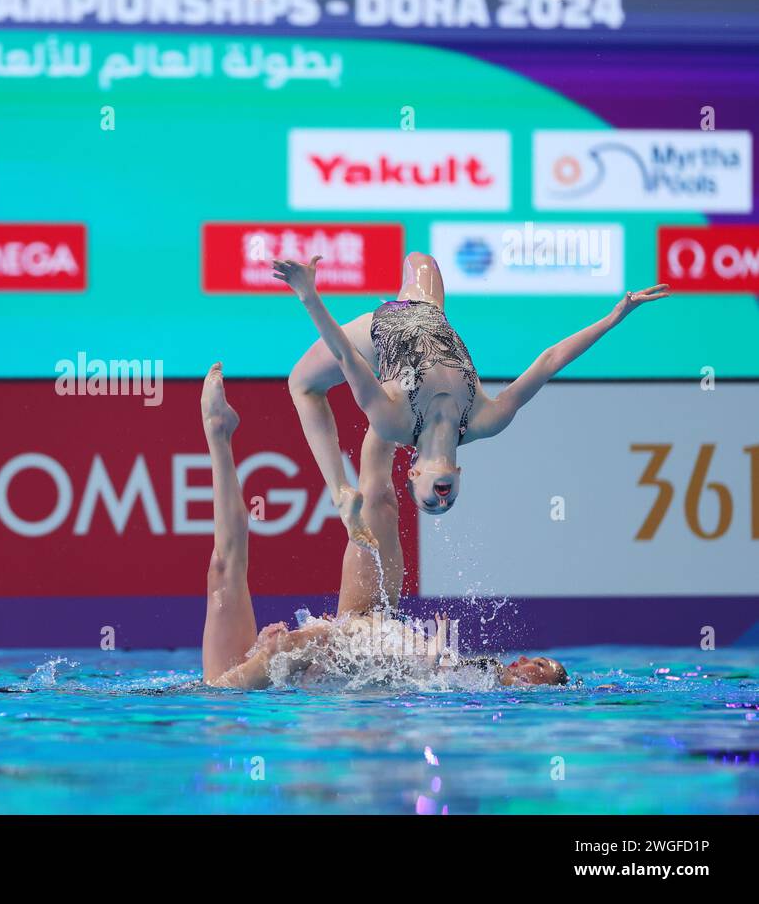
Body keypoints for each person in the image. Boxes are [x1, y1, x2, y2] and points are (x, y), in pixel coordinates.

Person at [198, 361, 567, 690]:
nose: (523, 661)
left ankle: (218, 433)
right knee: (380, 502)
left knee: (221, 572)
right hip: (365, 627)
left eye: (539, 668)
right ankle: (403, 384)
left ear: (545, 691)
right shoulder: (478, 674)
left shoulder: (478, 691)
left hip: (305, 669)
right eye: (535, 659)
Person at [271, 252, 669, 522]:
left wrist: (308, 295)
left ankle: (340, 490)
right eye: (449, 500)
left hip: (379, 329)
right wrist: (614, 317)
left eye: (432, 501)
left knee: (301, 384)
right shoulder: (486, 419)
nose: (442, 498)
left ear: (413, 474)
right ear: (459, 475)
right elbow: (549, 361)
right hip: (426, 309)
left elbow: (344, 355)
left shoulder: (392, 421)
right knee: (420, 258)